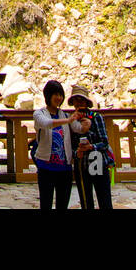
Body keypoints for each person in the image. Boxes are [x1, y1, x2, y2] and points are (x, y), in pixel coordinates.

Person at [68, 85, 114, 209]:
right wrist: (76, 152)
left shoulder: (96, 117)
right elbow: (69, 144)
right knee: (85, 201)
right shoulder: (71, 119)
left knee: (104, 199)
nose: (78, 103)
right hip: (81, 163)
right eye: (76, 100)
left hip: (97, 160)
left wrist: (91, 146)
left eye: (81, 99)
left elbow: (104, 142)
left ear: (87, 102)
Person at [32, 80, 76, 209]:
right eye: (55, 94)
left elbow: (77, 127)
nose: (59, 98)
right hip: (46, 167)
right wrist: (67, 120)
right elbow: (46, 124)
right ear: (48, 95)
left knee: (63, 204)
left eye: (60, 95)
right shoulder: (39, 114)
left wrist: (85, 124)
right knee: (46, 203)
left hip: (65, 168)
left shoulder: (64, 114)